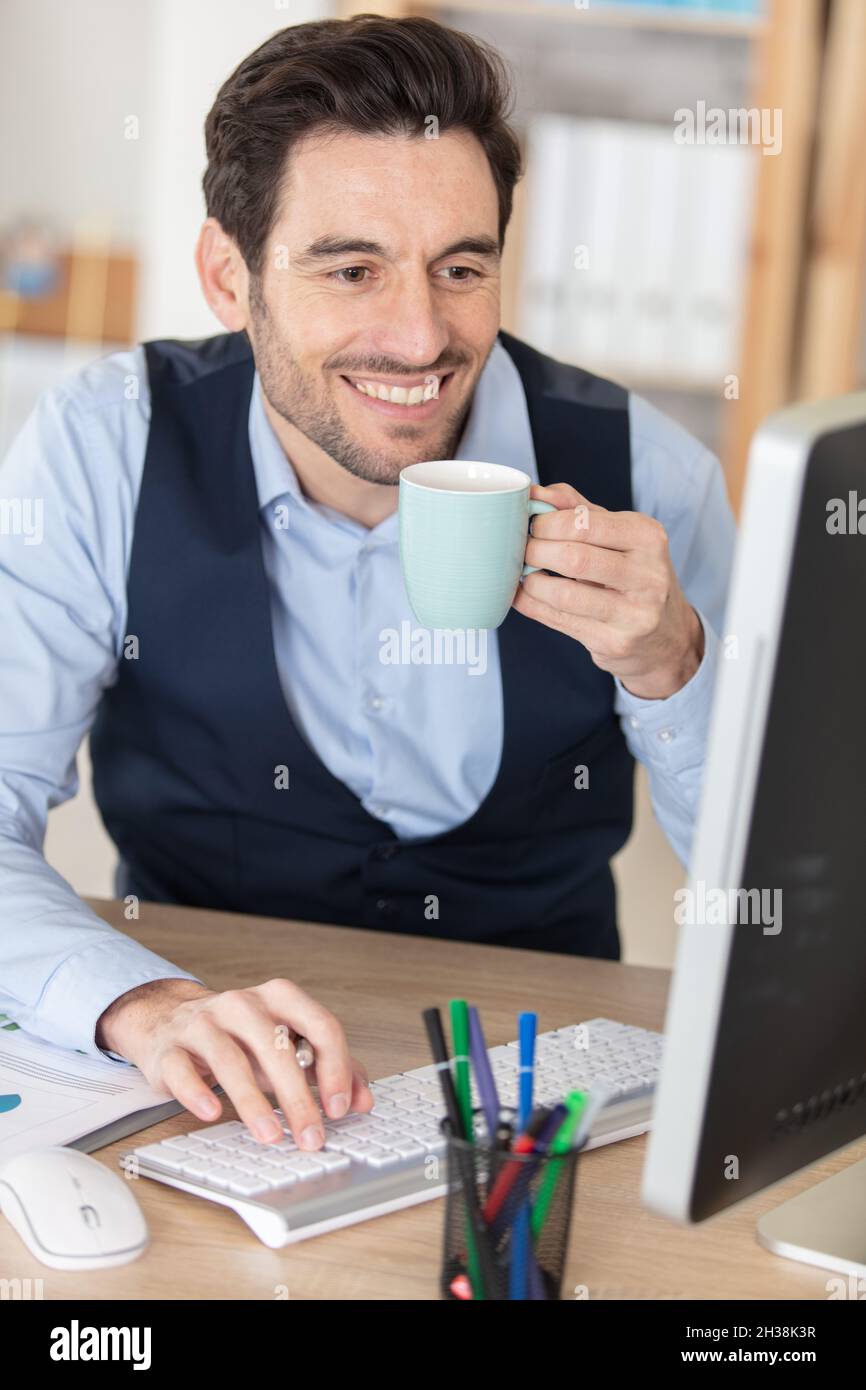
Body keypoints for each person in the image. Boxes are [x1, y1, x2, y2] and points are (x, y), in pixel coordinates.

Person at [0, 16, 735, 1151]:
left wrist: (671, 668)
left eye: (460, 267)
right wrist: (138, 1005)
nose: (420, 335)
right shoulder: (103, 448)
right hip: (205, 1089)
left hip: (543, 1102)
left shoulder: (650, 476)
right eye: (352, 268)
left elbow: (792, 905)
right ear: (226, 277)